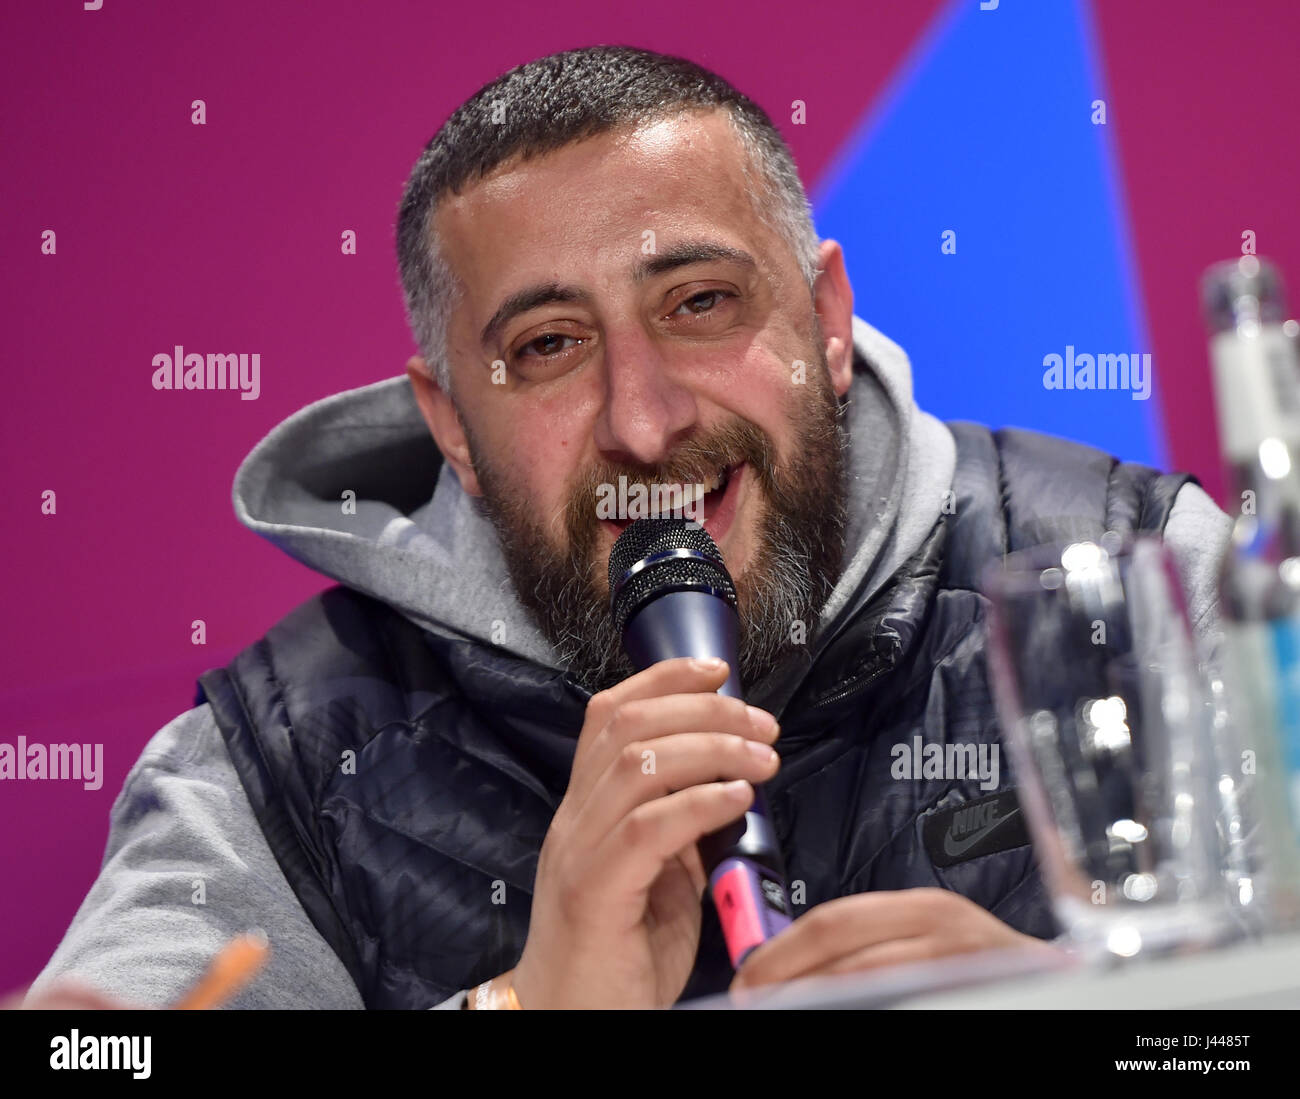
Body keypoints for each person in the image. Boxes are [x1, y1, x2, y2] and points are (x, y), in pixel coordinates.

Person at [23, 45, 1232, 1010]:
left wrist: (1080, 1018)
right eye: (548, 347)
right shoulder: (269, 763)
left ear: (821, 316)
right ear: (450, 423)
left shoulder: (1149, 579)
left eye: (700, 304)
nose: (644, 425)